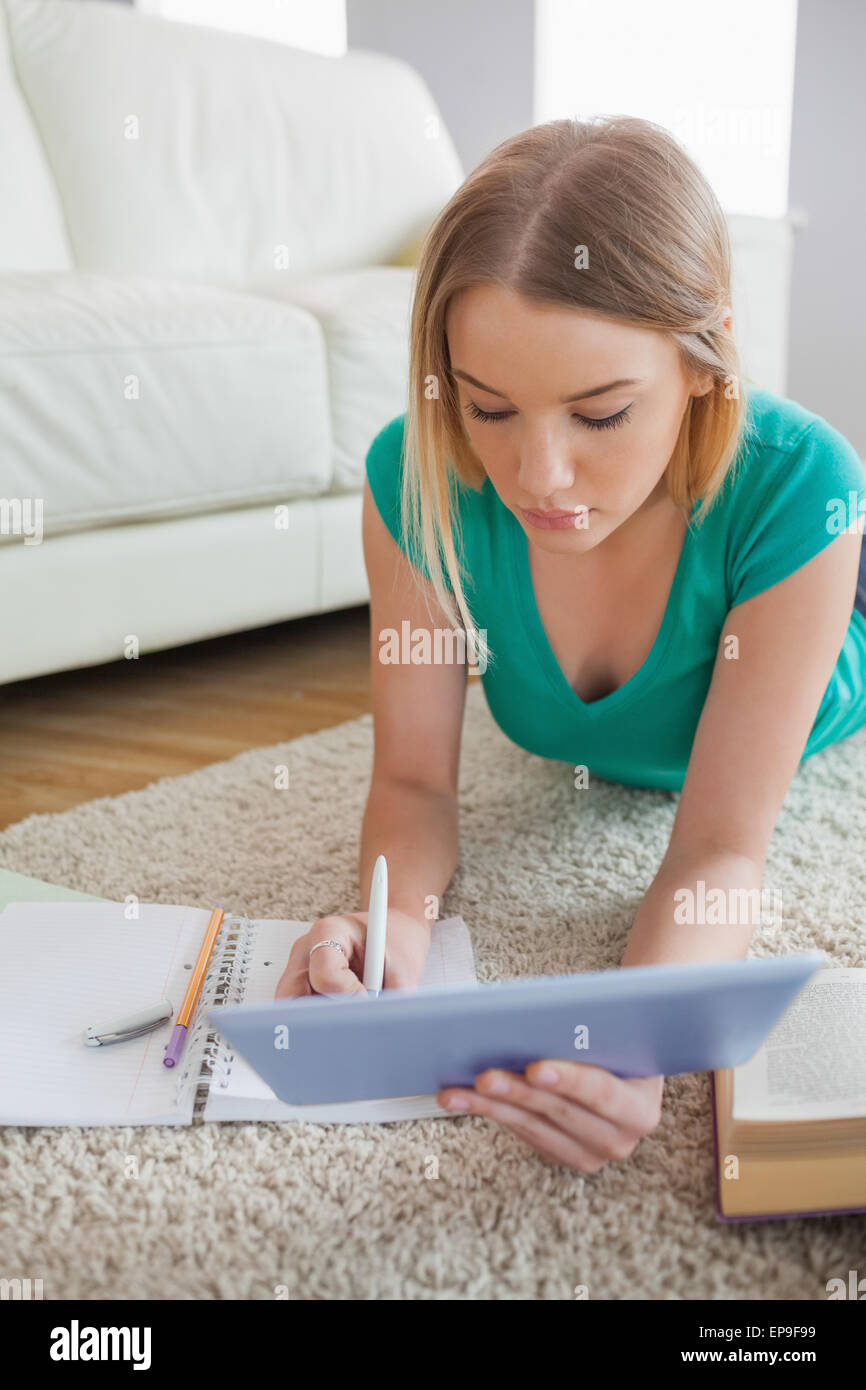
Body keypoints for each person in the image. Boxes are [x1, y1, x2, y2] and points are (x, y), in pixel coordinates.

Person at [276, 115, 866, 1172]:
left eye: (599, 415)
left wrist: (636, 1042)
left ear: (704, 359)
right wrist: (391, 926)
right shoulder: (416, 478)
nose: (538, 477)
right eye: (489, 408)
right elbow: (410, 784)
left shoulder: (803, 485)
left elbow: (721, 848)